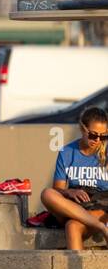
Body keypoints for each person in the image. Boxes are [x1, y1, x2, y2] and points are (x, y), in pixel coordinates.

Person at [38, 107, 108, 250]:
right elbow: (57, 189)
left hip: (100, 203)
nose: (98, 140)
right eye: (94, 135)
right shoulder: (67, 152)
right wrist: (69, 192)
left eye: (104, 136)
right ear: (83, 129)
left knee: (72, 226)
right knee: (47, 193)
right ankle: (101, 226)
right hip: (74, 204)